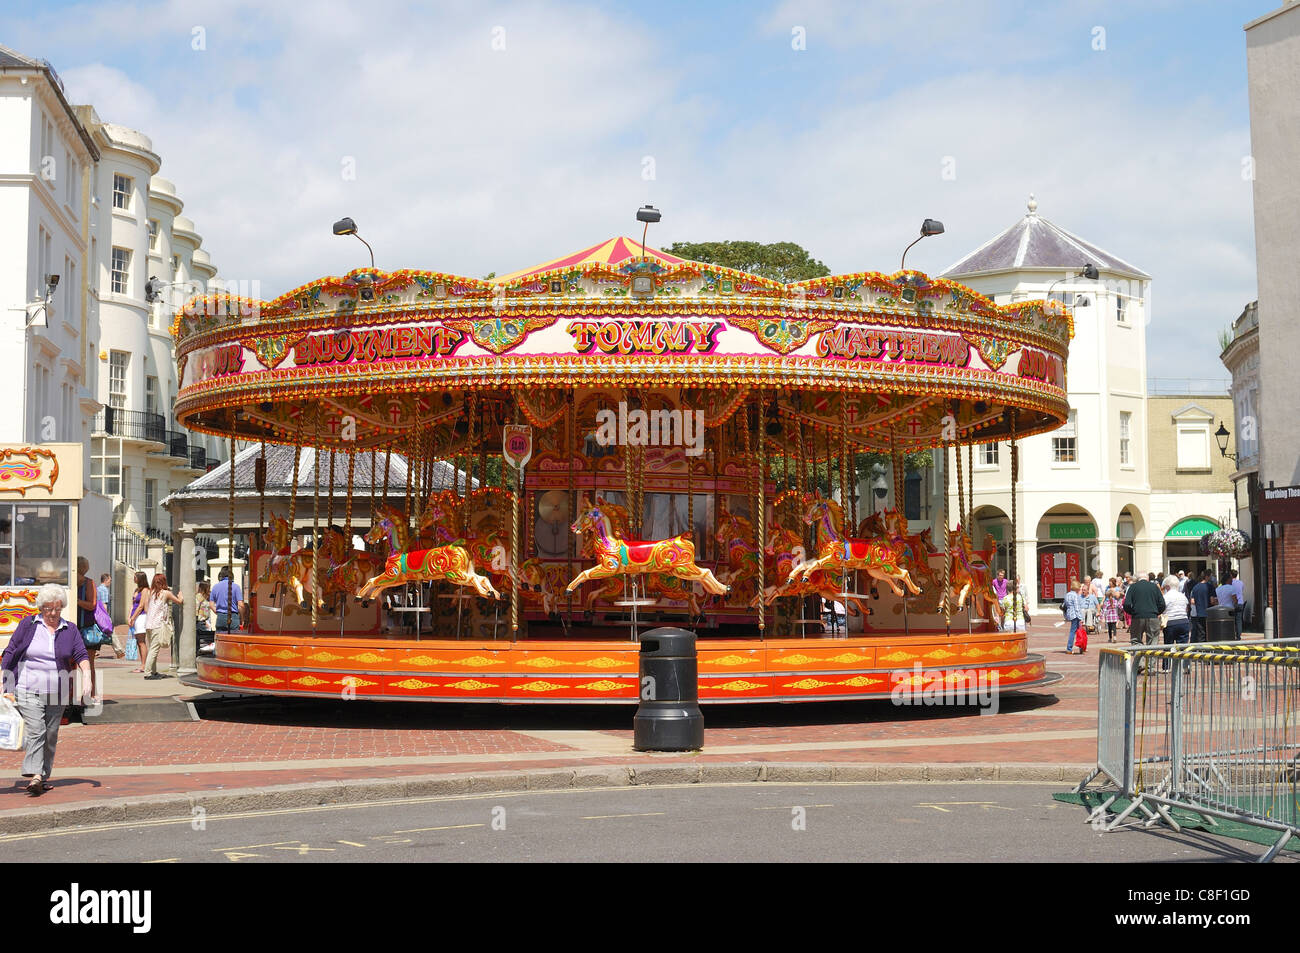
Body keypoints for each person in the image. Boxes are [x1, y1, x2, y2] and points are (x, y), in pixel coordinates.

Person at [1, 584, 92, 796]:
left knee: (51, 734)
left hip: (57, 691)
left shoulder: (69, 629)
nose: (52, 613)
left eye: (57, 609)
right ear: (41, 608)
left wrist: (86, 677)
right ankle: (34, 774)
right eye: (48, 609)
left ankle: (42, 776)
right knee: (37, 730)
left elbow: (81, 655)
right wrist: (3, 677)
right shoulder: (29, 625)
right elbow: (11, 650)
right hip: (27, 688)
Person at [140, 573, 183, 680]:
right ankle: (148, 672)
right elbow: (179, 602)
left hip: (149, 624)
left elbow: (146, 608)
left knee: (152, 649)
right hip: (158, 625)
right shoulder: (166, 593)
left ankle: (153, 671)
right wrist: (180, 595)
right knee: (154, 650)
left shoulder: (151, 593)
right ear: (164, 582)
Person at [74, 556, 102, 698]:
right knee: (87, 664)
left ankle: (90, 694)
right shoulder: (72, 581)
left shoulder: (88, 583)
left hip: (86, 628)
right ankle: (87, 694)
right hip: (77, 627)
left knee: (88, 664)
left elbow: (92, 605)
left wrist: (76, 600)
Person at [1124, 571, 1166, 648]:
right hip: (1153, 616)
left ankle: (1140, 659)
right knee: (1153, 641)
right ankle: (1151, 660)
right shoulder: (1154, 587)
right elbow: (1162, 604)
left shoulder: (1132, 587)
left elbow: (1126, 604)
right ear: (1147, 578)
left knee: (1136, 640)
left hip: (1137, 616)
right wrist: (1156, 612)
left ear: (1136, 579)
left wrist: (1132, 612)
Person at [1161, 578, 1191, 666]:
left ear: (1167, 586)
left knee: (1168, 645)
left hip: (1170, 621)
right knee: (1183, 646)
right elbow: (1186, 608)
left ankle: (1166, 666)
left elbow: (1163, 609)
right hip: (1183, 621)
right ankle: (1185, 665)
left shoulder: (1166, 596)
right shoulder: (1182, 596)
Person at [125, 572, 150, 672]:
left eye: (135, 577)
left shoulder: (145, 590)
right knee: (139, 641)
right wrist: (129, 617)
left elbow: (141, 606)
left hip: (141, 617)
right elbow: (133, 604)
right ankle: (142, 664)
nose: (134, 578)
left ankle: (144, 665)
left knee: (141, 642)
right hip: (135, 617)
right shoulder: (136, 590)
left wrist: (133, 617)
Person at [213, 568, 244, 632]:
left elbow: (211, 605)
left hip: (220, 618)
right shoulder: (236, 587)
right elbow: (240, 605)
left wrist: (219, 613)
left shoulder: (215, 587)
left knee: (221, 640)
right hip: (233, 617)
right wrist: (242, 619)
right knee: (233, 640)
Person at [1190, 570, 1215, 643]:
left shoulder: (1195, 587)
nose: (1211, 578)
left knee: (1201, 633)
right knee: (1209, 633)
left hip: (1199, 613)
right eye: (1210, 576)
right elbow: (1212, 601)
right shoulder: (1210, 586)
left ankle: (1202, 649)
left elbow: (1192, 601)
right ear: (1207, 577)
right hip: (1209, 613)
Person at [1216, 572, 1242, 641]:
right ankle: (1232, 638)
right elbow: (1235, 600)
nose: (1232, 580)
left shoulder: (1218, 589)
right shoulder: (1231, 588)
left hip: (1221, 609)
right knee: (1231, 625)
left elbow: (1216, 600)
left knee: (1223, 624)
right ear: (1228, 579)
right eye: (1231, 578)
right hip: (1230, 609)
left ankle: (1223, 637)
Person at [1063, 578, 1084, 654]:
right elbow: (1077, 607)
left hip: (1070, 614)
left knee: (1076, 631)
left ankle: (1081, 647)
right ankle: (1069, 648)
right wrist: (1081, 618)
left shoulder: (1067, 595)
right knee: (1075, 631)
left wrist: (1065, 616)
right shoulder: (1075, 595)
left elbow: (1064, 606)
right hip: (1075, 615)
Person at [196, 580, 216, 651]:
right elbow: (196, 608)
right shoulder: (199, 596)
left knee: (206, 640)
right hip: (200, 622)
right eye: (208, 588)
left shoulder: (206, 597)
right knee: (205, 640)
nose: (209, 590)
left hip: (205, 621)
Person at [1102, 579, 1123, 643]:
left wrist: (1102, 617)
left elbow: (1104, 610)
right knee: (1113, 628)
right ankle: (1114, 637)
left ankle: (1111, 638)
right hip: (1113, 617)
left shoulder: (1107, 602)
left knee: (1110, 628)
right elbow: (1121, 607)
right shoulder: (1114, 601)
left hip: (1109, 617)